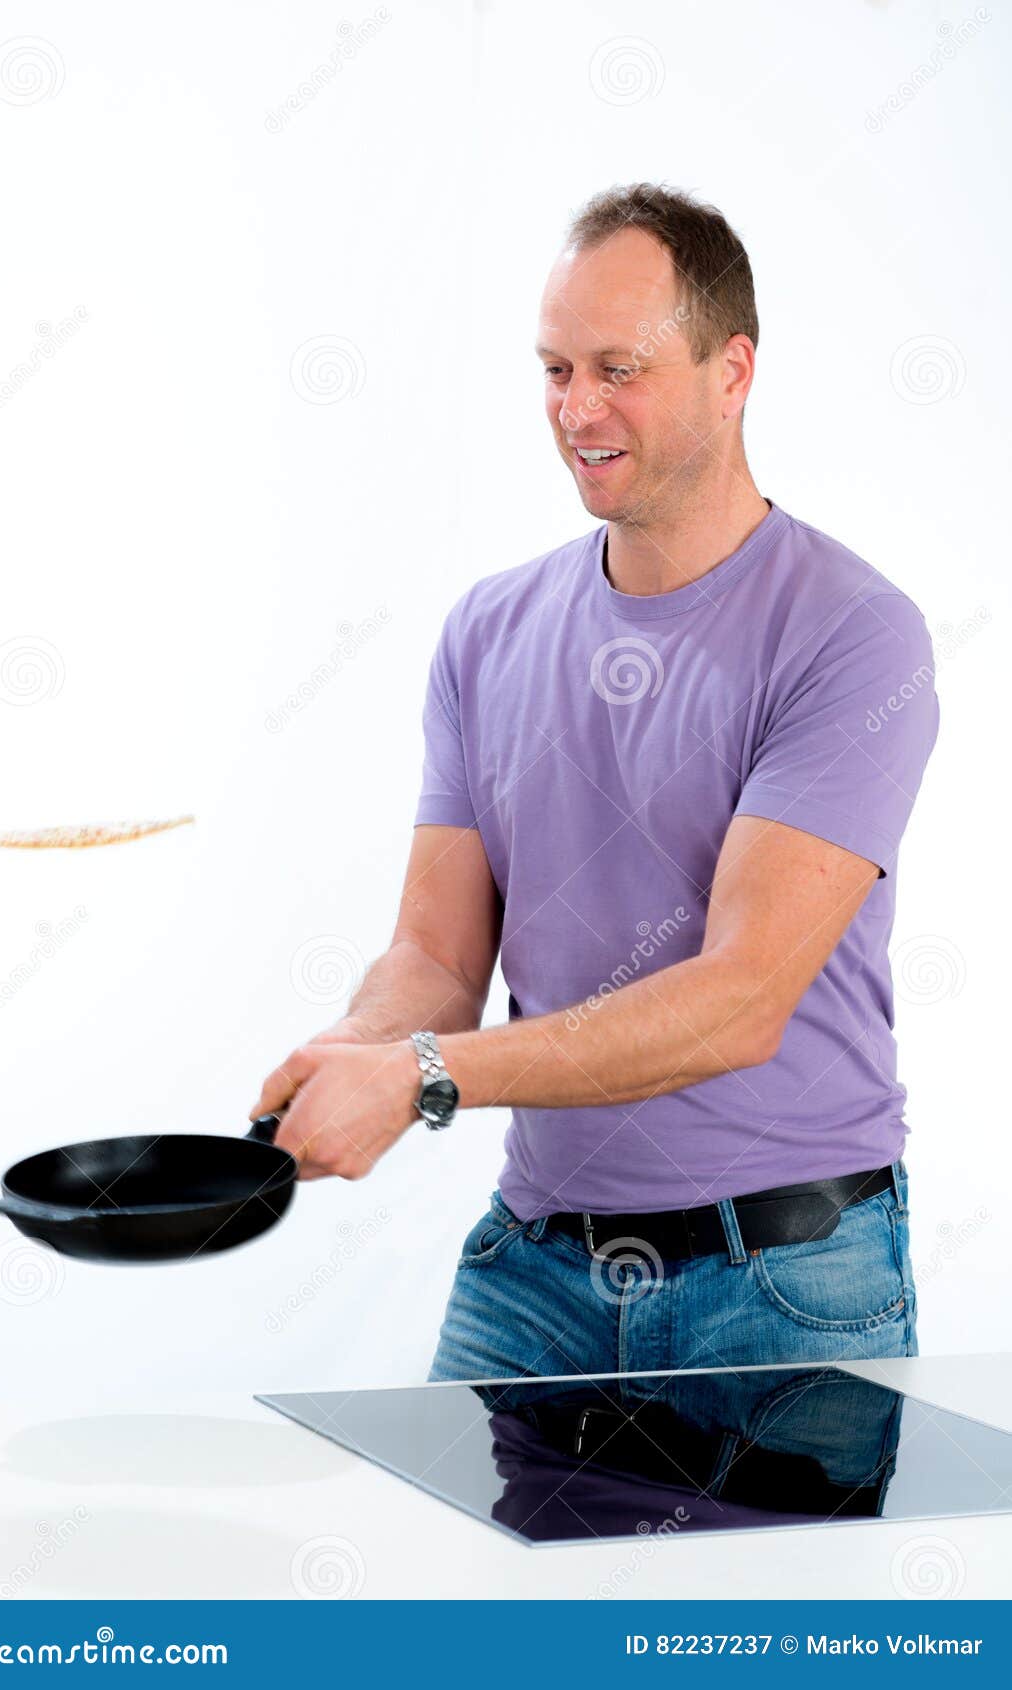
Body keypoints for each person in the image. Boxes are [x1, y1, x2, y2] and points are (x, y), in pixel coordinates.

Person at [251, 182, 939, 1378]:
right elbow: (439, 960)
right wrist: (353, 1049)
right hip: (538, 1272)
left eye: (619, 368)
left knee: (769, 1582)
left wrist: (416, 1080)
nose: (578, 409)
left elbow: (739, 999)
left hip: (785, 1279)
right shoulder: (488, 630)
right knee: (442, 1571)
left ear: (734, 373)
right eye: (555, 369)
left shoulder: (852, 635)